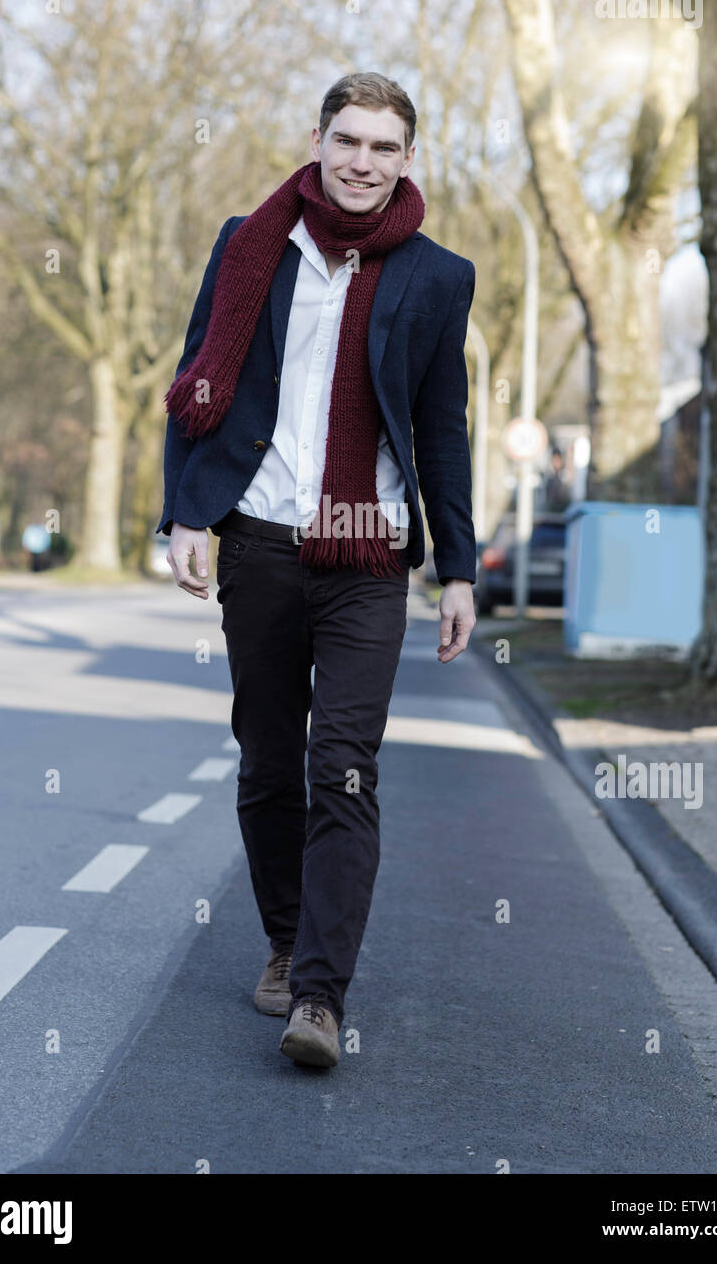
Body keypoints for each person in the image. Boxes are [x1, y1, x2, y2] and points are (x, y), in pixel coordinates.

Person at [158, 72, 477, 1069]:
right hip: (256, 536)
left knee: (342, 763)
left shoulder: (436, 277)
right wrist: (184, 511)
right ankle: (285, 940)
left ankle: (319, 997)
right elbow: (195, 380)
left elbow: (439, 429)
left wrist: (459, 567)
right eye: (348, 141)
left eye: (384, 148)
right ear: (316, 138)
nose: (362, 162)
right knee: (266, 756)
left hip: (366, 552)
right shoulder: (248, 246)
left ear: (406, 159)